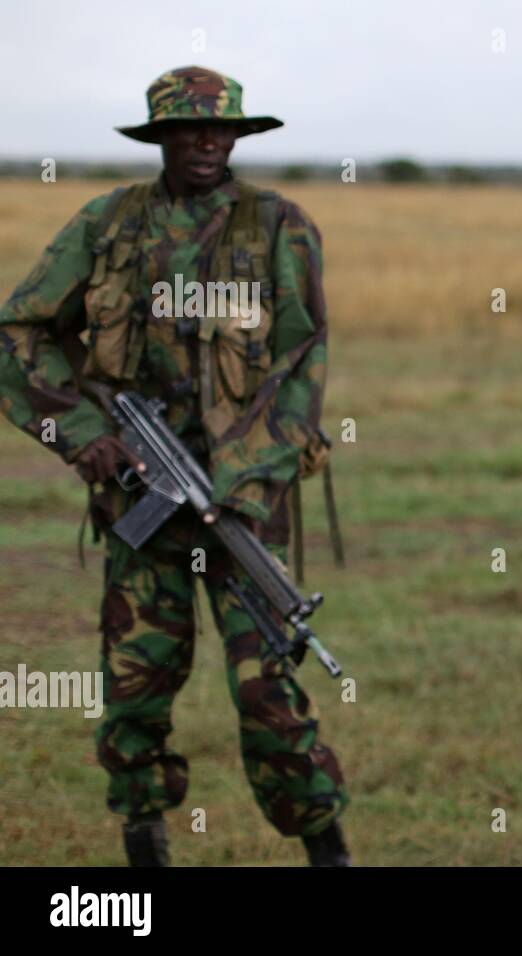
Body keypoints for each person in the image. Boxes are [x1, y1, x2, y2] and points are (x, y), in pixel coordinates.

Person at [0, 66, 350, 866]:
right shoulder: (107, 224)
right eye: (187, 130)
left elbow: (302, 365)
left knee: (270, 696)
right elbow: (19, 331)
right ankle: (145, 856)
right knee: (134, 694)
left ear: (238, 135)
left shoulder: (279, 228)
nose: (205, 142)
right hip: (137, 505)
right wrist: (82, 432)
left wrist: (242, 479)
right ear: (158, 138)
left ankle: (329, 851)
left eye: (220, 129)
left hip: (241, 511)